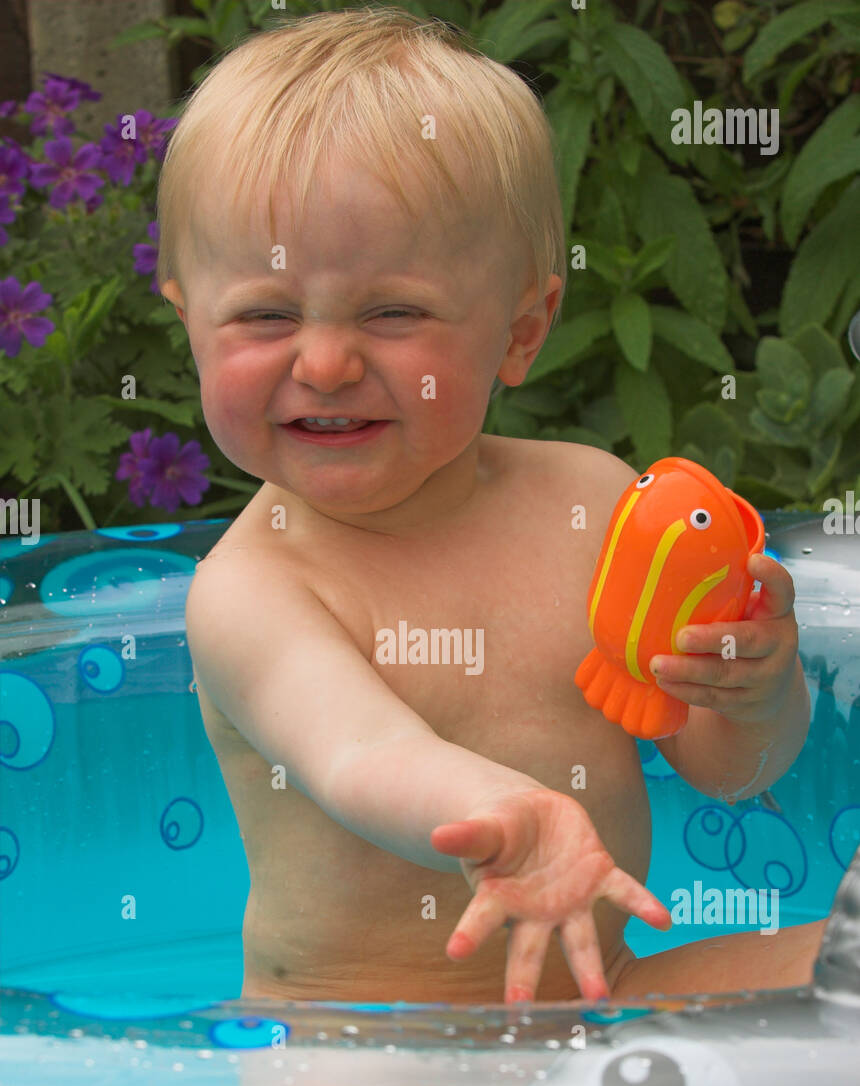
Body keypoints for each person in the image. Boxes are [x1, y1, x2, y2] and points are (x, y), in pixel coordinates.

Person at [159, 8, 816, 1006]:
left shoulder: (591, 506)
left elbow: (730, 773)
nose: (326, 361)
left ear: (520, 331)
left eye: (392, 313)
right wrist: (503, 811)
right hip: (361, 1042)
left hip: (601, 1000)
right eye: (264, 314)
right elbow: (358, 753)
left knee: (838, 954)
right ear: (189, 327)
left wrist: (755, 698)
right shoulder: (251, 588)